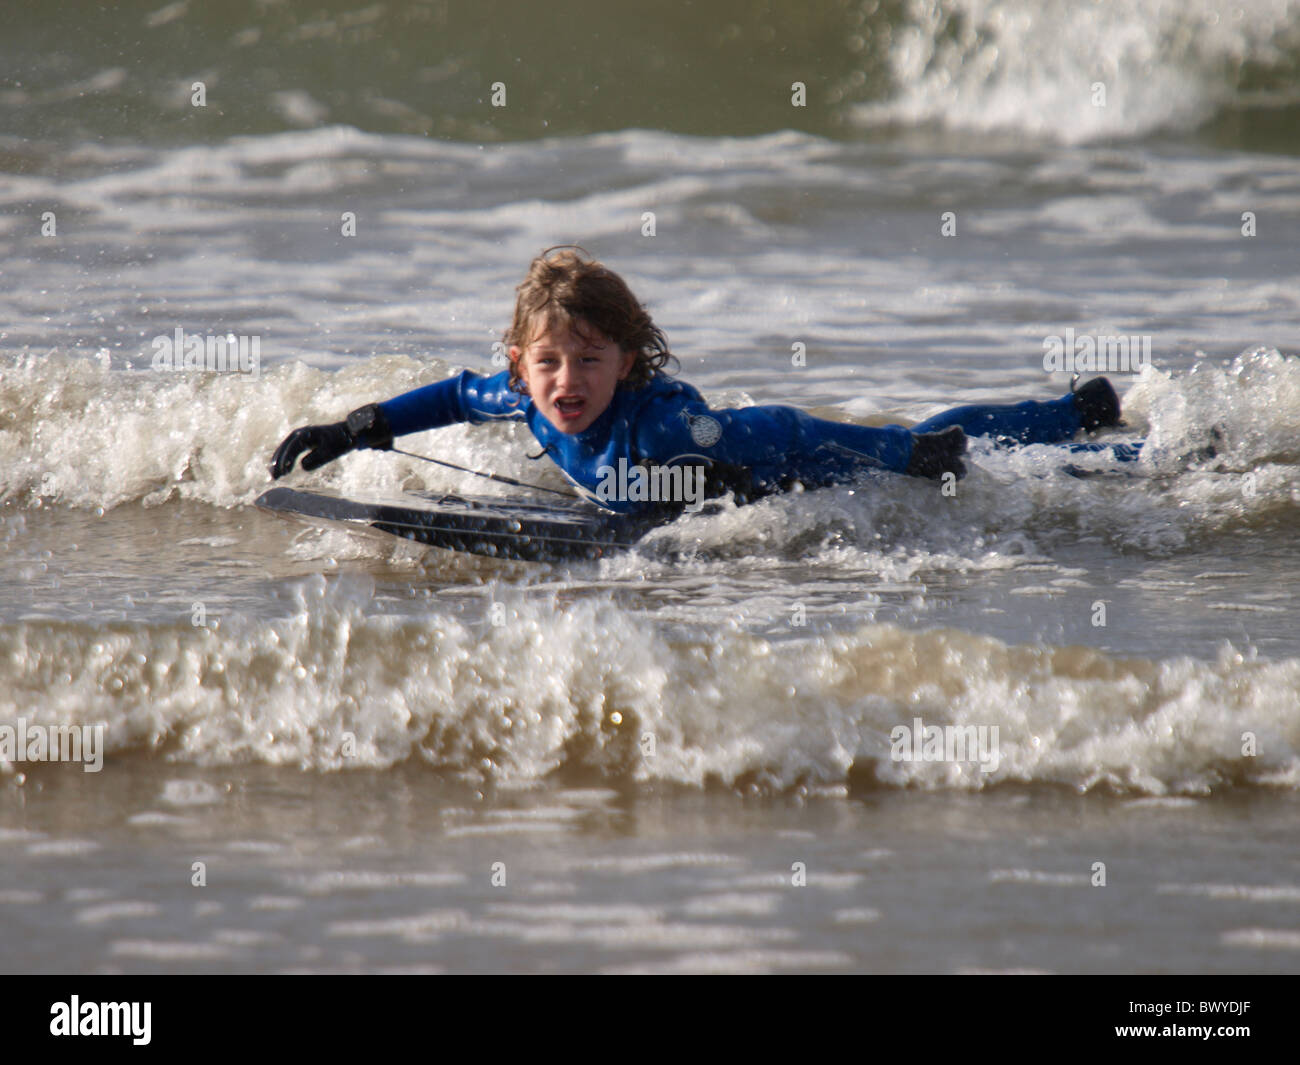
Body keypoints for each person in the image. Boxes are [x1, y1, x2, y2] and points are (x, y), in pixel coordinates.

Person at [270, 247, 1125, 513]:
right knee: (945, 441)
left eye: (591, 359)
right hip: (707, 466)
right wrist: (354, 427)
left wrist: (900, 453)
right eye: (550, 361)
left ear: (627, 363)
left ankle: (1078, 427)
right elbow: (454, 396)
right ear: (522, 366)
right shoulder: (527, 391)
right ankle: (1073, 411)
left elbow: (788, 429)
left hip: (772, 457)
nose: (568, 379)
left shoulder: (658, 427)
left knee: (950, 454)